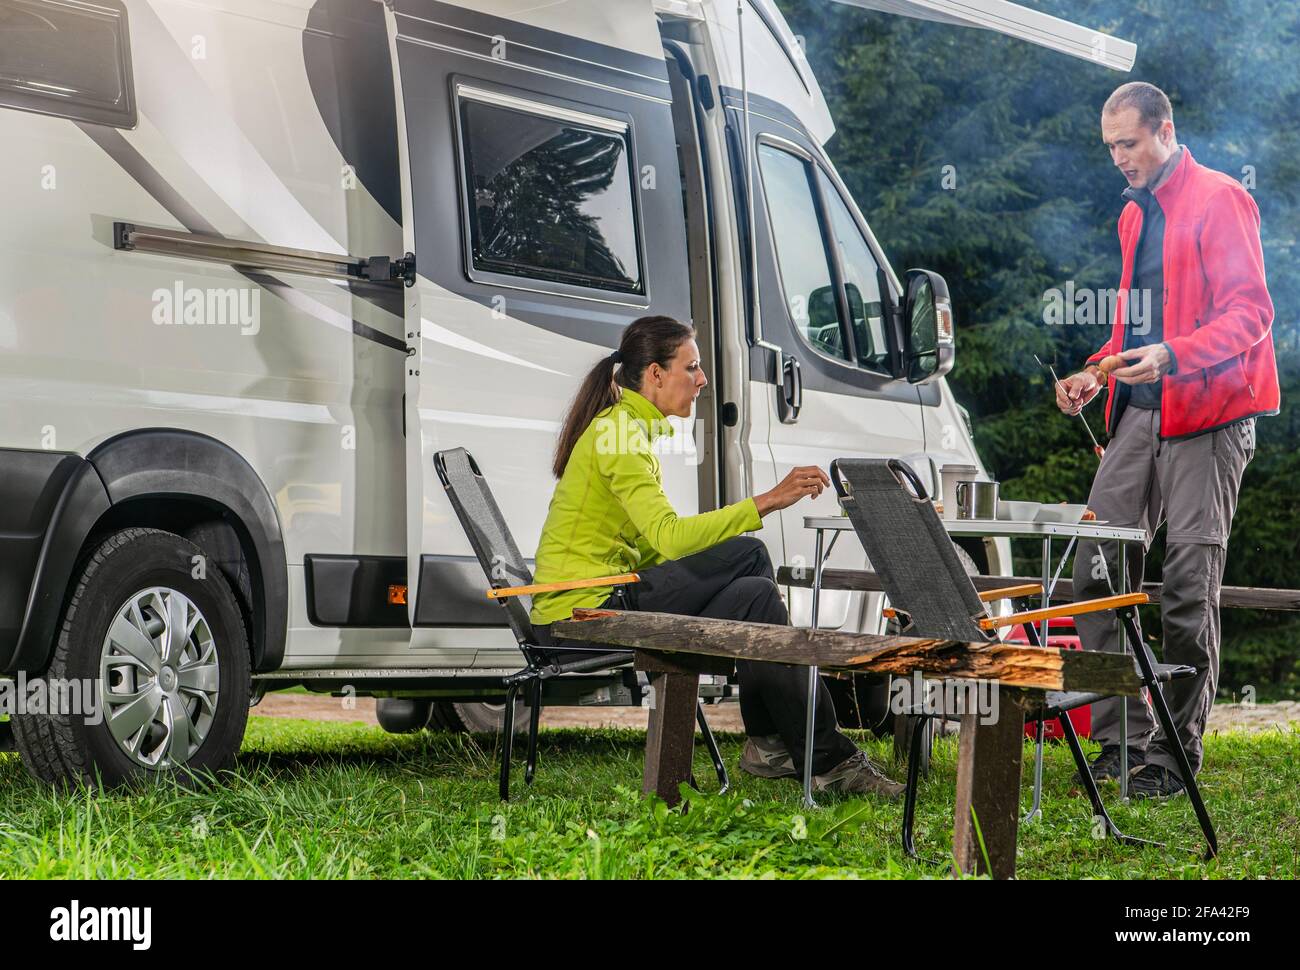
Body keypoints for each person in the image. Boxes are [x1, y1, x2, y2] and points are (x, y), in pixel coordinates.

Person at [529, 314, 902, 798]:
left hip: (605, 596)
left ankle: (787, 749)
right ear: (656, 375)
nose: (703, 380)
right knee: (750, 555)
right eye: (692, 367)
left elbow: (645, 546)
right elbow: (668, 538)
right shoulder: (619, 436)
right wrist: (767, 500)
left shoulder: (624, 430)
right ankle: (794, 748)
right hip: (580, 613)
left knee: (757, 596)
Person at [1055, 82, 1278, 798]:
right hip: (1139, 414)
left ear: (1165, 130)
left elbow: (1253, 313)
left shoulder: (1219, 199)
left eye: (1129, 143)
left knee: (1186, 590)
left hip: (1209, 416)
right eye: (1110, 147)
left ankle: (1172, 755)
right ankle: (1120, 742)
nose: (1119, 158)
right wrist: (1096, 371)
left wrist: (1176, 355)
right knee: (1093, 571)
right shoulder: (1132, 216)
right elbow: (1133, 325)